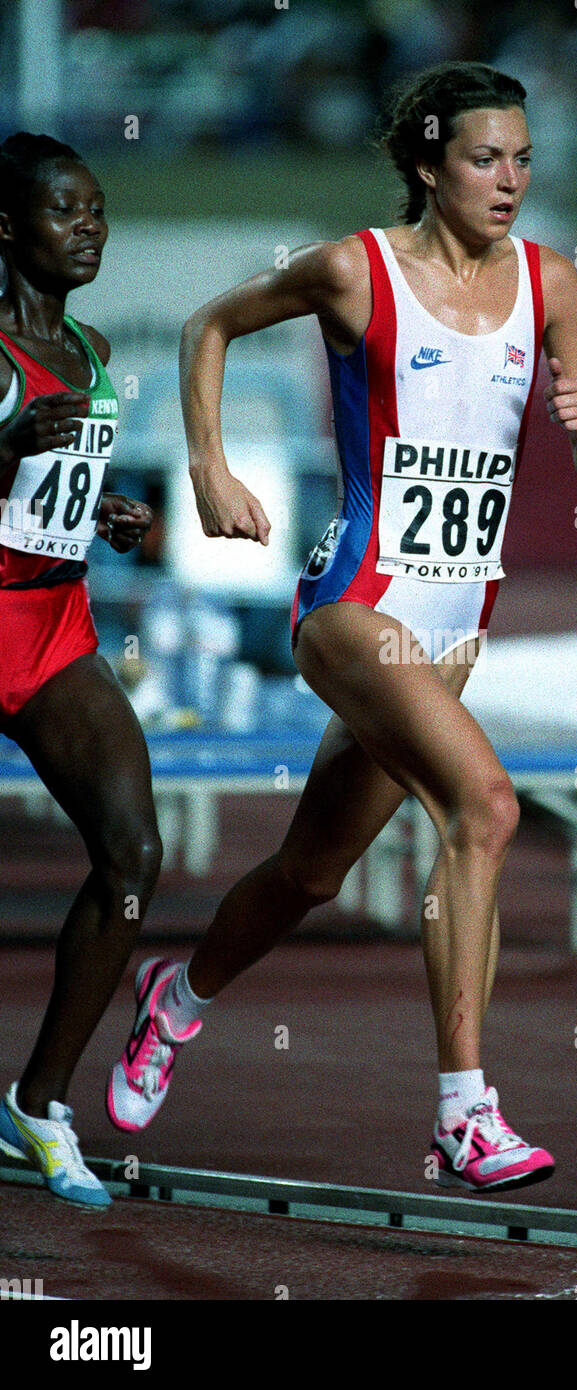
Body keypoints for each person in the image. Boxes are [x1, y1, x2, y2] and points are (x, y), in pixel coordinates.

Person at [108, 62, 577, 1193]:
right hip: (352, 606)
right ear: (429, 163)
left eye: (523, 159)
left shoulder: (549, 286)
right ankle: (462, 1112)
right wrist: (210, 466)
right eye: (486, 158)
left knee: (311, 869)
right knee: (481, 807)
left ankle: (172, 1000)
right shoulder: (354, 268)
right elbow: (208, 323)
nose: (510, 180)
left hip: (452, 630)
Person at [0, 133, 159, 1208]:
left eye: (97, 211)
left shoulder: (94, 348)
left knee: (133, 855)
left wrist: (103, 515)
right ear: (10, 229)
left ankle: (37, 1104)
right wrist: (5, 448)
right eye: (66, 212)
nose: (89, 228)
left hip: (51, 623)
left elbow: (47, 499)